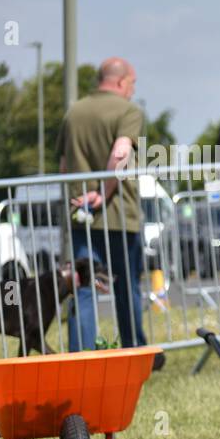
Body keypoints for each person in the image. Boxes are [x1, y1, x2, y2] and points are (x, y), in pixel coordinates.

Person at [58, 57, 155, 362]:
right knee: (126, 287)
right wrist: (103, 192)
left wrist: (78, 198)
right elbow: (120, 152)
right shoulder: (128, 111)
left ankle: (81, 356)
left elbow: (63, 166)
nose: (133, 89)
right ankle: (134, 352)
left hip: (79, 217)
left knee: (83, 288)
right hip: (118, 215)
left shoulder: (74, 112)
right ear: (120, 81)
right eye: (132, 83)